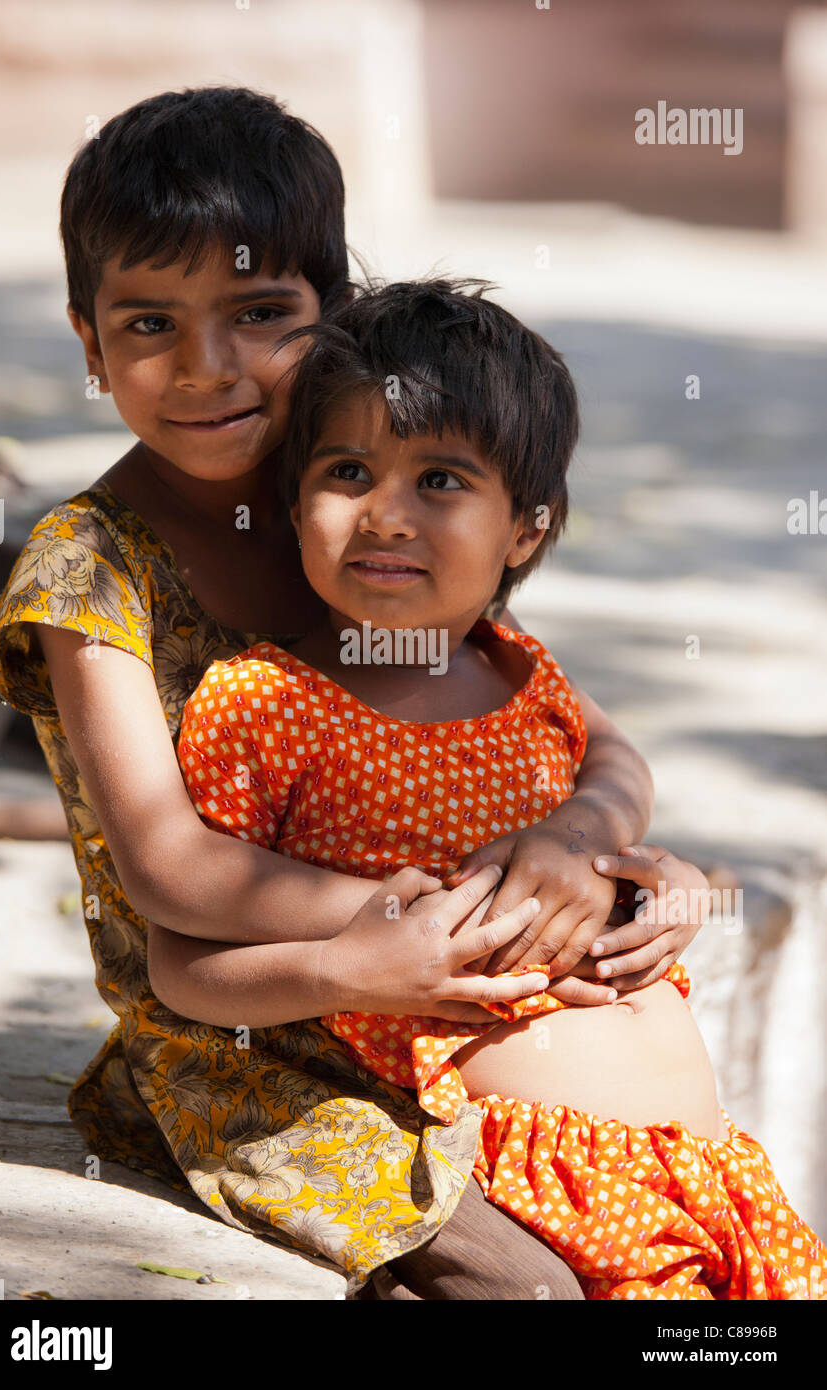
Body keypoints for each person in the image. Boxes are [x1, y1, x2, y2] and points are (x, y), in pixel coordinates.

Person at [0, 88, 690, 1301]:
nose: (206, 369)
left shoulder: (354, 498)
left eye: (259, 314)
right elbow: (170, 870)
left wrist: (588, 851)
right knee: (531, 1285)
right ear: (89, 344)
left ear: (333, 314)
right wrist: (412, 929)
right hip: (248, 1037)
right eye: (150, 323)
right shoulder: (87, 569)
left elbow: (580, 732)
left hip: (437, 991)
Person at [174, 279, 827, 1299]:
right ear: (294, 500)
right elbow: (186, 967)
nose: (385, 513)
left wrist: (609, 851)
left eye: (438, 479)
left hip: (699, 1179)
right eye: (347, 470)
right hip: (526, 1183)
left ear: (522, 530)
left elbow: (615, 768)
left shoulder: (515, 666)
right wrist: (344, 970)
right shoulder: (264, 703)